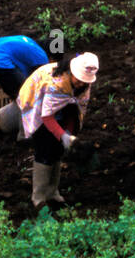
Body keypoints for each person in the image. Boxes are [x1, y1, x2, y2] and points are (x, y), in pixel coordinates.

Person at [16, 52, 98, 207]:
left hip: (59, 105)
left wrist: (68, 134)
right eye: (78, 80)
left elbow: (74, 111)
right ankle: (38, 197)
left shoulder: (84, 86)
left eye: (84, 82)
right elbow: (46, 117)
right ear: (72, 72)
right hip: (36, 101)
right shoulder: (56, 82)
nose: (81, 83)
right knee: (45, 149)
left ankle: (52, 192)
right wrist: (63, 136)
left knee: (57, 151)